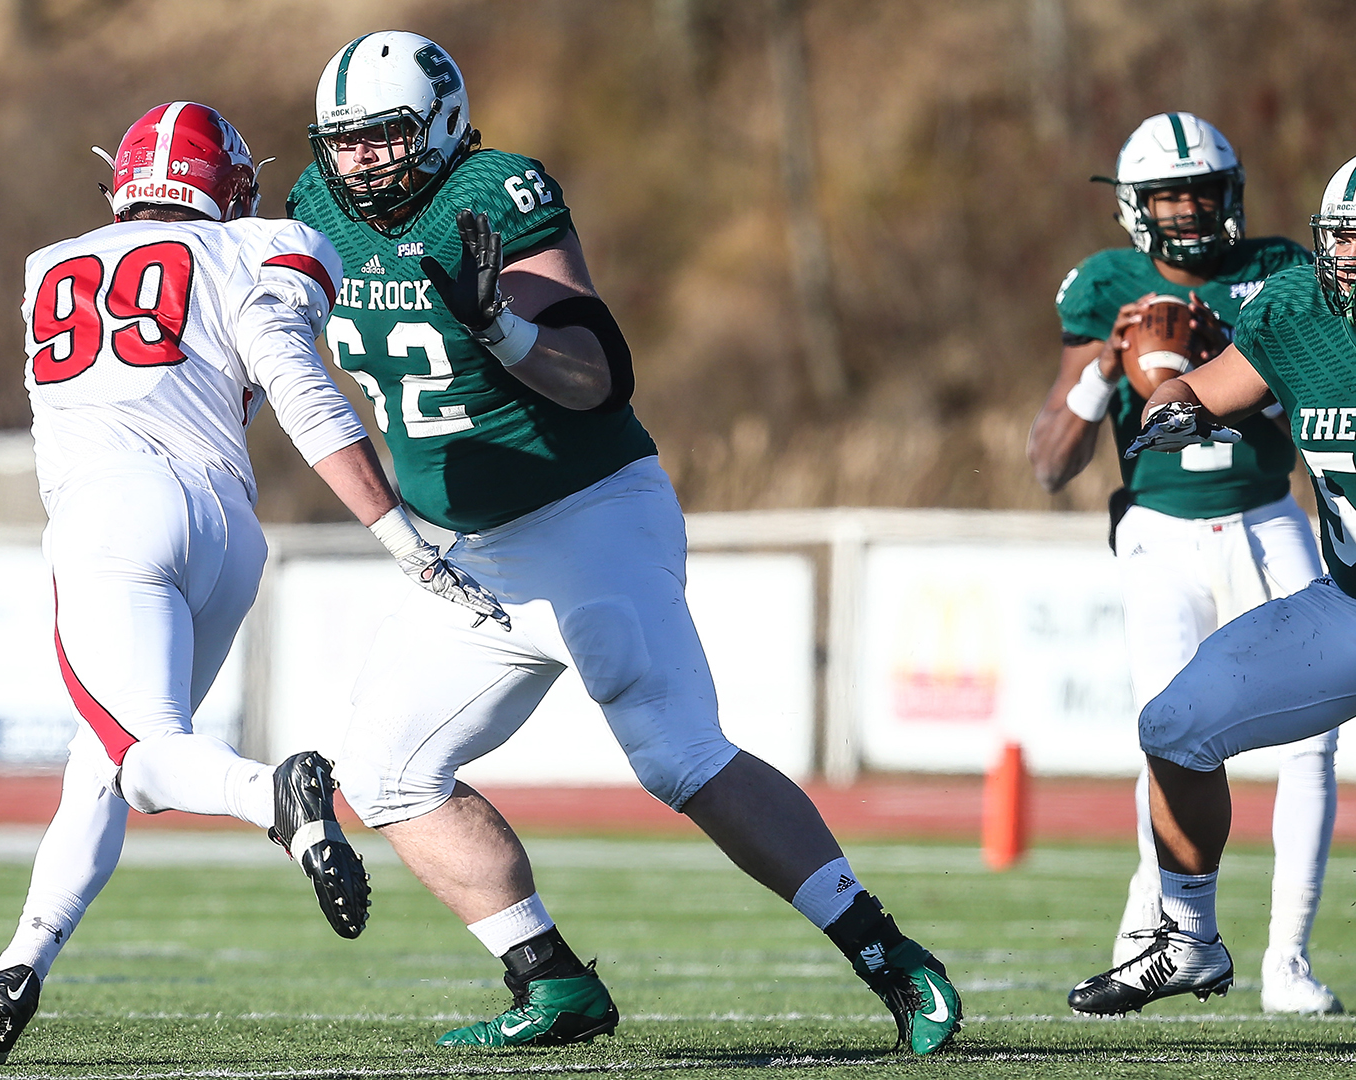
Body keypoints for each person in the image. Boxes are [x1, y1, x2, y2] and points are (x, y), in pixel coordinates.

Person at [286, 31, 960, 1054]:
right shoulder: (313, 205)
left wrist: (503, 330)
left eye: (385, 135)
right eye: (345, 141)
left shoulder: (493, 193)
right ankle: (551, 981)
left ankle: (888, 954)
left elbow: (599, 376)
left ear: (444, 124)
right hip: (468, 553)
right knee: (385, 774)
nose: (362, 160)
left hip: (586, 512)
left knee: (676, 754)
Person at [0, 101, 505, 1068]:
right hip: (226, 530)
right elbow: (301, 392)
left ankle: (270, 794)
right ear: (232, 189)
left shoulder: (48, 267)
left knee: (147, 759)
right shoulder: (268, 245)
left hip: (111, 516)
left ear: (123, 185)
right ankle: (17, 969)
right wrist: (399, 534)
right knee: (105, 760)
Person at [1025, 112, 1341, 1013]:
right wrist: (1116, 370)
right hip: (1162, 531)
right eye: (1169, 195)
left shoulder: (1284, 274)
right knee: (1168, 727)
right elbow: (1051, 462)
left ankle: (1287, 959)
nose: (1190, 210)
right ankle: (1160, 932)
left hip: (1268, 514)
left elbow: (1313, 394)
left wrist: (1226, 374)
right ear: (1136, 206)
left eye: (1202, 191)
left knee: (1312, 746)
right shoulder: (1108, 286)